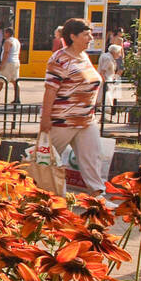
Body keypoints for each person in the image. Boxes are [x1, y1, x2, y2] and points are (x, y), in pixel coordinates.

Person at [39, 18, 105, 196]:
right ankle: (41, 194)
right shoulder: (59, 59)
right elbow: (50, 90)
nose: (91, 37)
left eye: (90, 33)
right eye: (86, 34)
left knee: (93, 157)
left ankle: (98, 196)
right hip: (63, 120)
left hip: (86, 119)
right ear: (73, 36)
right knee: (47, 158)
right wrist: (45, 119)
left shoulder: (84, 56)